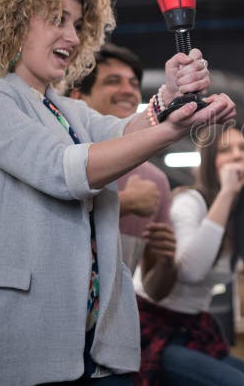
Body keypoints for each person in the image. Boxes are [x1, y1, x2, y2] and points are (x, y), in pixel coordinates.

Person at [0, 0, 235, 385]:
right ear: (14, 19)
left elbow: (125, 132)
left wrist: (170, 94)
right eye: (58, 19)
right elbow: (64, 170)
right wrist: (171, 130)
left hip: (92, 342)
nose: (73, 35)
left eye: (78, 25)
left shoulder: (67, 111)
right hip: (16, 336)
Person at [134, 123, 244, 386]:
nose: (238, 156)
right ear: (211, 164)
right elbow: (191, 271)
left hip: (192, 330)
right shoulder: (190, 202)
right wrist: (227, 192)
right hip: (152, 330)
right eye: (225, 150)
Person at [70, 43, 178, 301]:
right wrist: (126, 203)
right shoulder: (61, 162)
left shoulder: (155, 181)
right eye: (113, 81)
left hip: (115, 325)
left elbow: (156, 291)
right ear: (77, 99)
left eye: (133, 83)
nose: (128, 91)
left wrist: (166, 261)